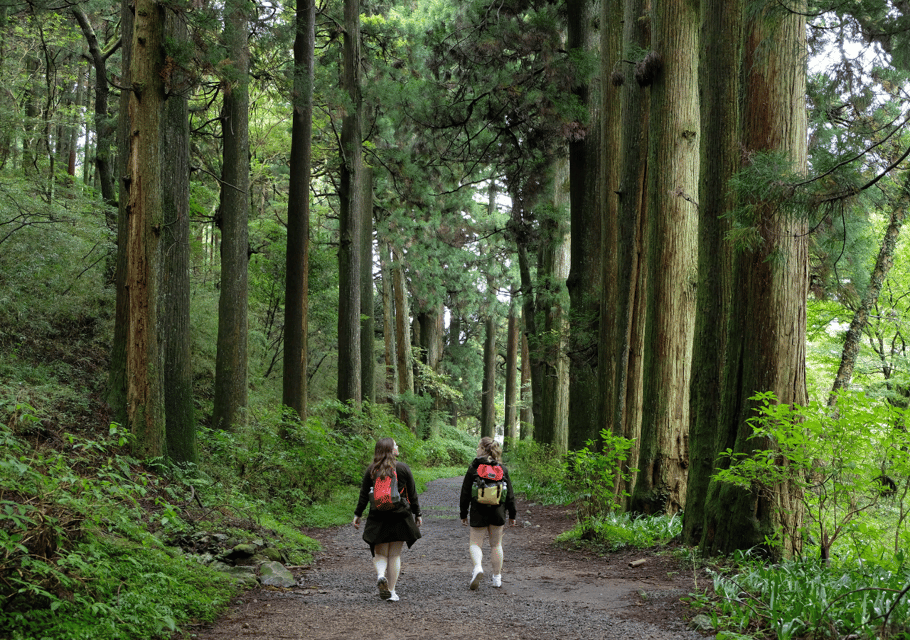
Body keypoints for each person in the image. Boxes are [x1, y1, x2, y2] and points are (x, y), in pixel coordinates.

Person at [353, 437, 422, 602]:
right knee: (395, 555)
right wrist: (417, 513)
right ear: (391, 450)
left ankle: (380, 575)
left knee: (380, 553)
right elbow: (412, 494)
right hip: (400, 515)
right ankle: (391, 591)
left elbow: (364, 495)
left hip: (378, 516)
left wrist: (357, 514)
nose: (397, 447)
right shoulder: (403, 468)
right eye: (395, 445)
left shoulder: (372, 470)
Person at [459, 436, 517, 590]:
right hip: (498, 509)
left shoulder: (474, 468)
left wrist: (463, 513)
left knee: (475, 543)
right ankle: (497, 578)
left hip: (478, 509)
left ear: (483, 449)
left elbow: (465, 492)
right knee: (496, 544)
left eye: (478, 447)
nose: (477, 449)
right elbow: (510, 493)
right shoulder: (502, 469)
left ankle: (478, 567)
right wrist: (512, 514)